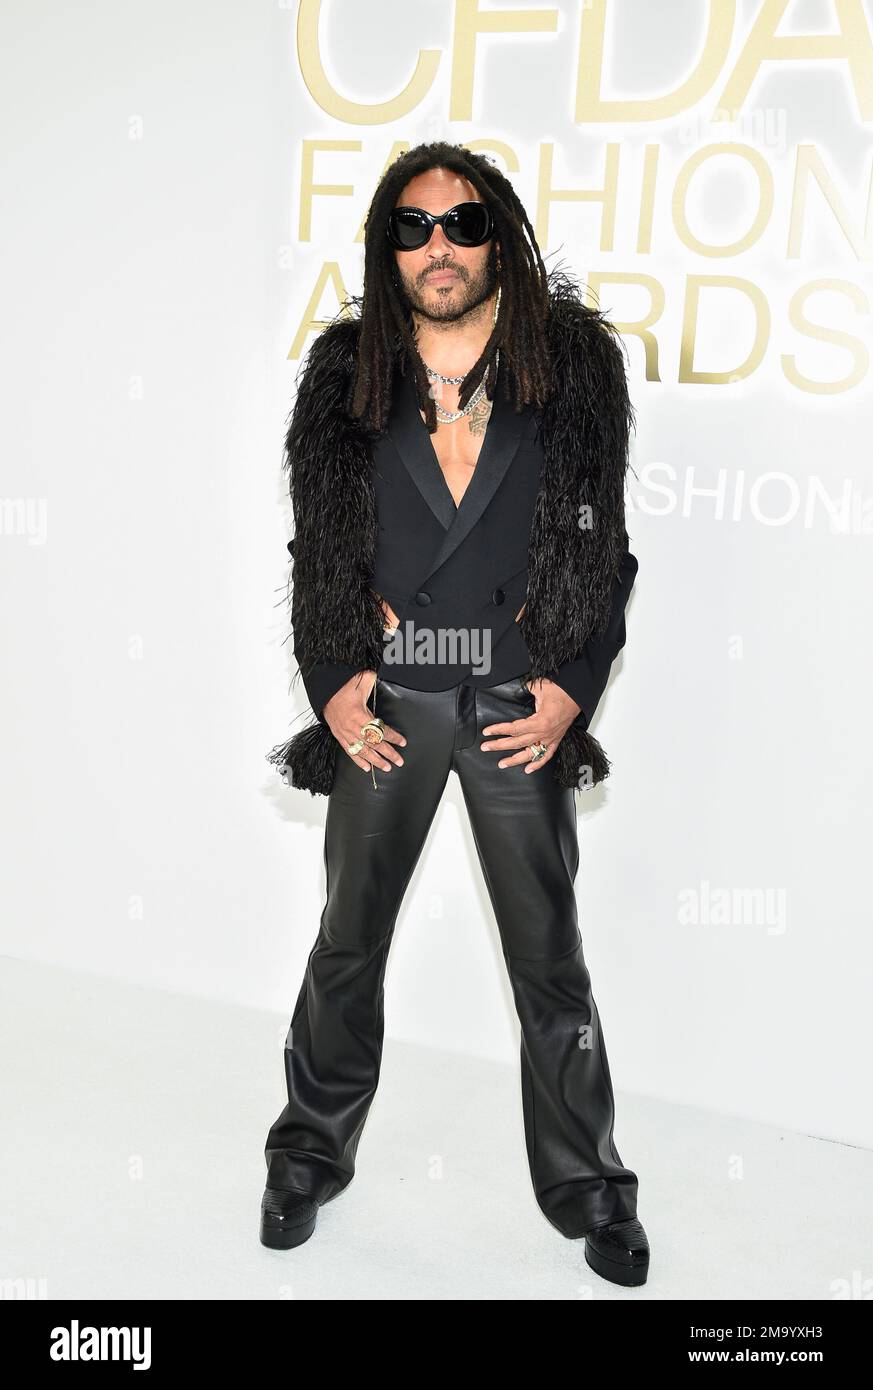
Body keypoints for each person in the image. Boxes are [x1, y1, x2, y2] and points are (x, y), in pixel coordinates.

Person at [260, 142, 649, 1288]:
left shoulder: (570, 369)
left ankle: (589, 1183)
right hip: (390, 697)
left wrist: (572, 684)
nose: (441, 247)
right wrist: (332, 674)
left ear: (503, 236)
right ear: (388, 249)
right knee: (348, 943)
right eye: (415, 228)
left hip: (517, 698)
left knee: (550, 962)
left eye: (464, 224)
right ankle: (306, 1154)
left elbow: (604, 550)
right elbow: (320, 545)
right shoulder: (345, 374)